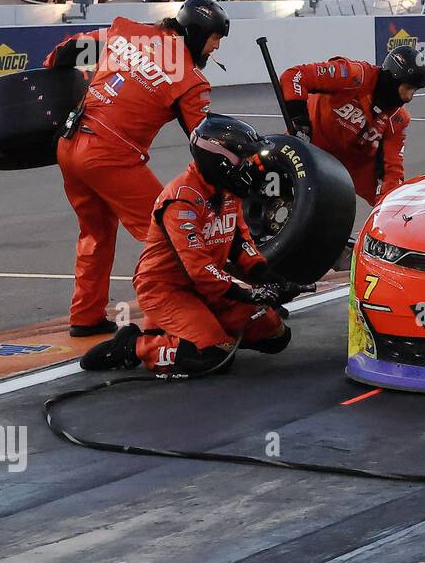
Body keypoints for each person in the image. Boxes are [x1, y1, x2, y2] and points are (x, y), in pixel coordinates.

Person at [46, 0, 228, 337]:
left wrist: (52, 69)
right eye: (215, 37)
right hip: (110, 157)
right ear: (196, 33)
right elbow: (205, 141)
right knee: (171, 232)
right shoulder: (190, 80)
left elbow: (67, 50)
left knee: (95, 234)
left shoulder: (128, 33)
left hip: (69, 146)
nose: (216, 47)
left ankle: (85, 317)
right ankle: (166, 321)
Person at [81, 115, 300, 376]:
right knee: (213, 356)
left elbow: (242, 247)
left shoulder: (227, 192)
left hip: (208, 288)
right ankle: (135, 345)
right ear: (221, 161)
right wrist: (249, 294)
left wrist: (276, 280)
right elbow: (199, 269)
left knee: (274, 334)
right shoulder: (181, 201)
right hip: (166, 289)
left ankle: (193, 328)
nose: (251, 166)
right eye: (245, 160)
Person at [278, 44, 425, 206]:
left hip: (354, 164)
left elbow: (392, 168)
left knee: (394, 201)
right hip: (312, 144)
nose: (409, 97)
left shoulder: (399, 118)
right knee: (268, 170)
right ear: (393, 78)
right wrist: (301, 124)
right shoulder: (352, 74)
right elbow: (294, 76)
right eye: (407, 88)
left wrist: (390, 206)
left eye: (414, 91)